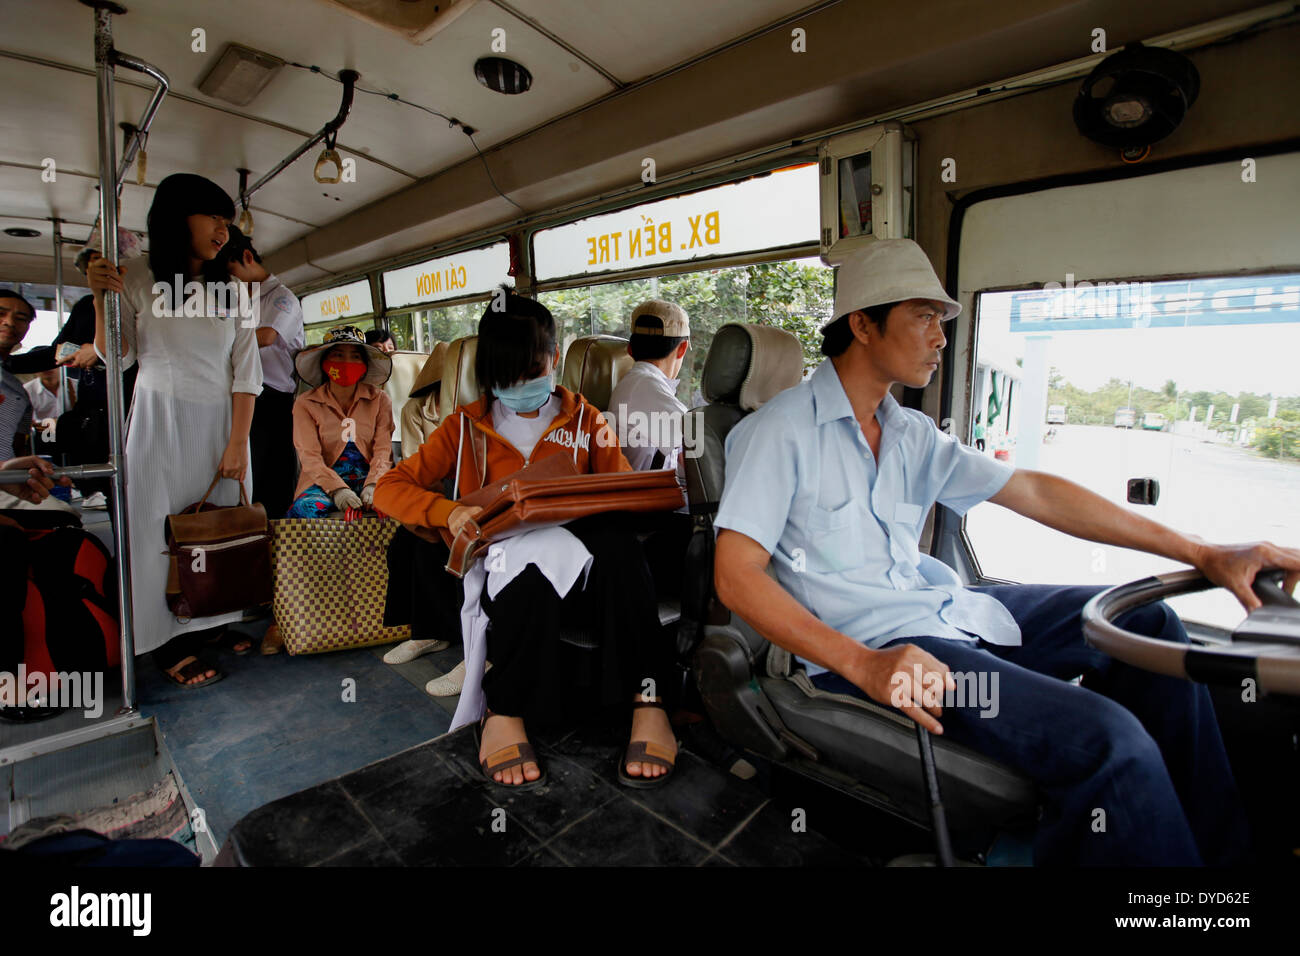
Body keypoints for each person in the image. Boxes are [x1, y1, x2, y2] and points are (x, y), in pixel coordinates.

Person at [712, 238, 1300, 866]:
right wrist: (862, 665)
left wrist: (1202, 551)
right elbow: (737, 577)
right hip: (880, 646)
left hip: (950, 609)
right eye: (923, 317)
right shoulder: (778, 432)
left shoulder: (910, 432)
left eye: (943, 320)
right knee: (1114, 742)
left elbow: (1033, 492)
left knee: (1148, 620)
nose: (940, 338)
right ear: (862, 323)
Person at [374, 289, 678, 789]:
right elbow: (389, 488)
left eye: (532, 372)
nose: (519, 386)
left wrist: (614, 500)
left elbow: (620, 488)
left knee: (620, 542)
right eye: (505, 379)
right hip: (508, 562)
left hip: (584, 565)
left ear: (553, 360)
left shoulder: (586, 421)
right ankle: (504, 710)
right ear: (488, 378)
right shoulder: (465, 427)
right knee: (526, 571)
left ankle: (649, 701)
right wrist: (447, 512)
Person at [87, 173, 263, 687]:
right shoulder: (135, 275)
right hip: (159, 420)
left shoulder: (230, 287)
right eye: (213, 217)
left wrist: (237, 442)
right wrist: (101, 298)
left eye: (228, 221)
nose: (222, 230)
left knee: (215, 529)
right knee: (157, 535)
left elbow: (246, 371)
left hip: (220, 424)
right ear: (176, 216)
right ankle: (166, 642)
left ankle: (208, 620)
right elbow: (117, 355)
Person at [606, 300, 693, 598]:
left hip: (646, 514)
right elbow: (699, 447)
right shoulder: (644, 386)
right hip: (648, 523)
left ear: (631, 349)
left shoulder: (638, 384)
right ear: (681, 350)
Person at [382, 340, 460, 669]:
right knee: (407, 543)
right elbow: (415, 466)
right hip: (436, 492)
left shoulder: (481, 409)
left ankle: (447, 629)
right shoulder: (416, 411)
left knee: (433, 548)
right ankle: (427, 630)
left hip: (470, 493)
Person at [222, 225, 305, 521]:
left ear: (247, 256)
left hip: (273, 400)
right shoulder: (241, 298)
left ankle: (279, 545)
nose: (228, 279)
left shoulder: (282, 298)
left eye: (231, 270)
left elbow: (267, 336)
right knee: (249, 477)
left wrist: (219, 343)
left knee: (273, 478)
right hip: (245, 395)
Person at [0, 290, 36, 460]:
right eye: (1, 314)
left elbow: (18, 447)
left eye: (21, 318)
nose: (9, 322)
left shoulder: (19, 393)